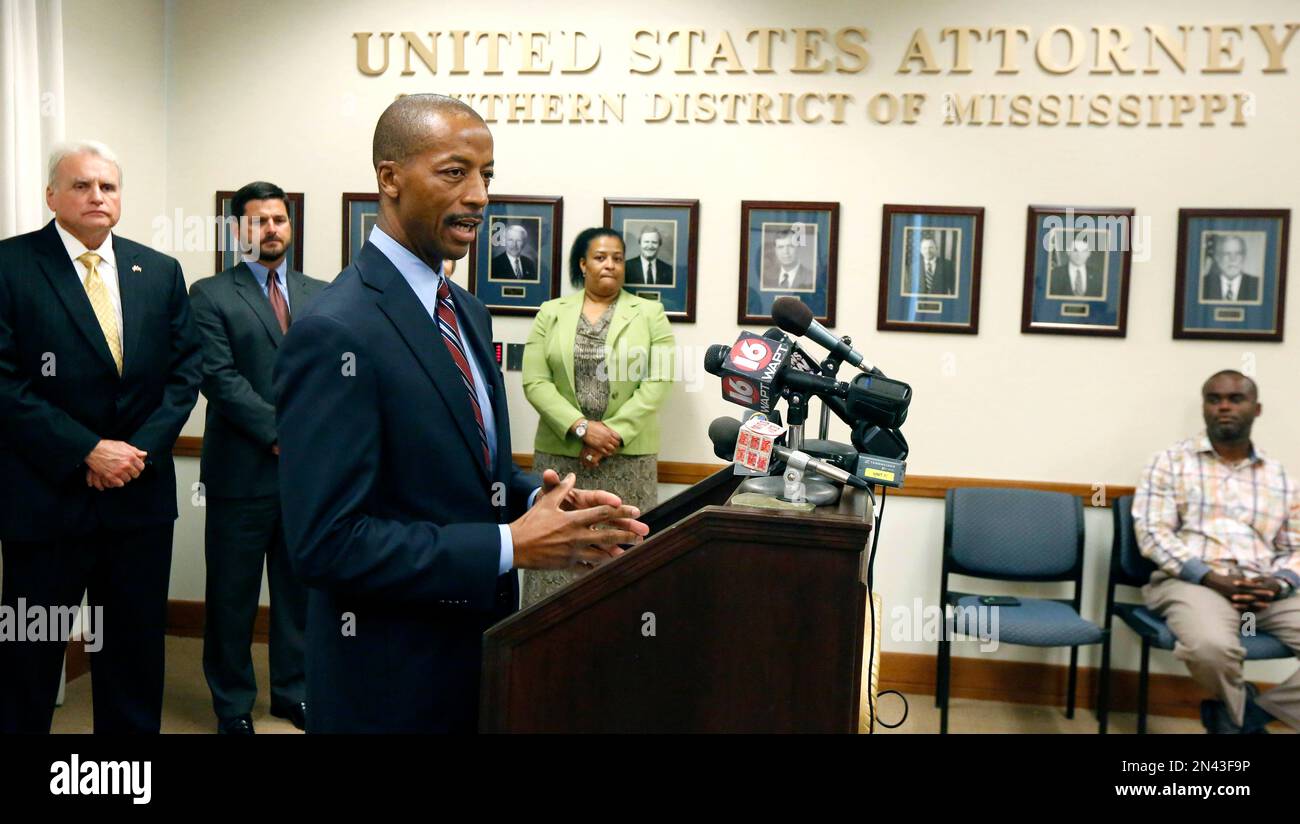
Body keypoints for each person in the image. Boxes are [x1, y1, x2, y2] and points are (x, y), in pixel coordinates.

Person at [273, 94, 647, 733]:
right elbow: (326, 544)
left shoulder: (467, 312)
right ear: (388, 179)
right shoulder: (335, 330)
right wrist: (509, 545)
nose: (478, 195)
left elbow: (473, 471)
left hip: (480, 659)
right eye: (455, 172)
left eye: (487, 176)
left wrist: (541, 503)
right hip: (388, 687)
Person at [0, 141, 202, 733]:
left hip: (137, 503)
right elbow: (6, 381)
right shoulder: (11, 266)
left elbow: (184, 375)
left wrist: (133, 454)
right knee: (28, 660)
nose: (97, 197)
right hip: (46, 502)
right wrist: (85, 449)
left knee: (134, 659)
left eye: (108, 187)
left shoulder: (158, 271)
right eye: (82, 185)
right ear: (51, 197)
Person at [189, 180, 327, 734]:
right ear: (236, 231)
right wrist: (280, 434)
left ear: (290, 227)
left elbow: (330, 373)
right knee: (232, 599)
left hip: (306, 478)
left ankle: (292, 693)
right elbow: (217, 378)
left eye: (278, 220)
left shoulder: (320, 292)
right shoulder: (210, 293)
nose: (270, 230)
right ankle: (233, 706)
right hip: (239, 475)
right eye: (257, 222)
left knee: (299, 596)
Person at [1133, 370, 1300, 734]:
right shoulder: (1169, 463)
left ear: (1256, 409)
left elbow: (1296, 547)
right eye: (1214, 399)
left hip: (1264, 588)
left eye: (1235, 399)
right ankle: (1242, 720)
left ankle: (1249, 714)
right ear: (1204, 407)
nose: (1224, 406)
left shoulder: (1281, 478)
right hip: (1193, 582)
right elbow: (1152, 533)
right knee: (1210, 647)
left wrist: (1279, 582)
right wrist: (1208, 577)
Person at [521, 227, 676, 607]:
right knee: (553, 564)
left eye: (618, 258)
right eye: (600, 257)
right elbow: (535, 381)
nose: (610, 265)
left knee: (625, 562)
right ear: (583, 264)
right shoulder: (550, 313)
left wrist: (614, 434)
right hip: (562, 458)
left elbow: (659, 379)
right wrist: (582, 429)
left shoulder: (651, 314)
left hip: (629, 460)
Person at [1201, 235, 1261, 302]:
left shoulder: (1257, 285)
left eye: (1238, 253)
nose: (1232, 259)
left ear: (1244, 257)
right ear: (1218, 258)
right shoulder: (1204, 284)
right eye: (1227, 254)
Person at [1048, 234, 1104, 298]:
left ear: (1089, 253)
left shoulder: (1098, 275)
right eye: (1075, 250)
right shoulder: (1054, 274)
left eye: (1084, 251)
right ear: (1068, 252)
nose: (1079, 255)